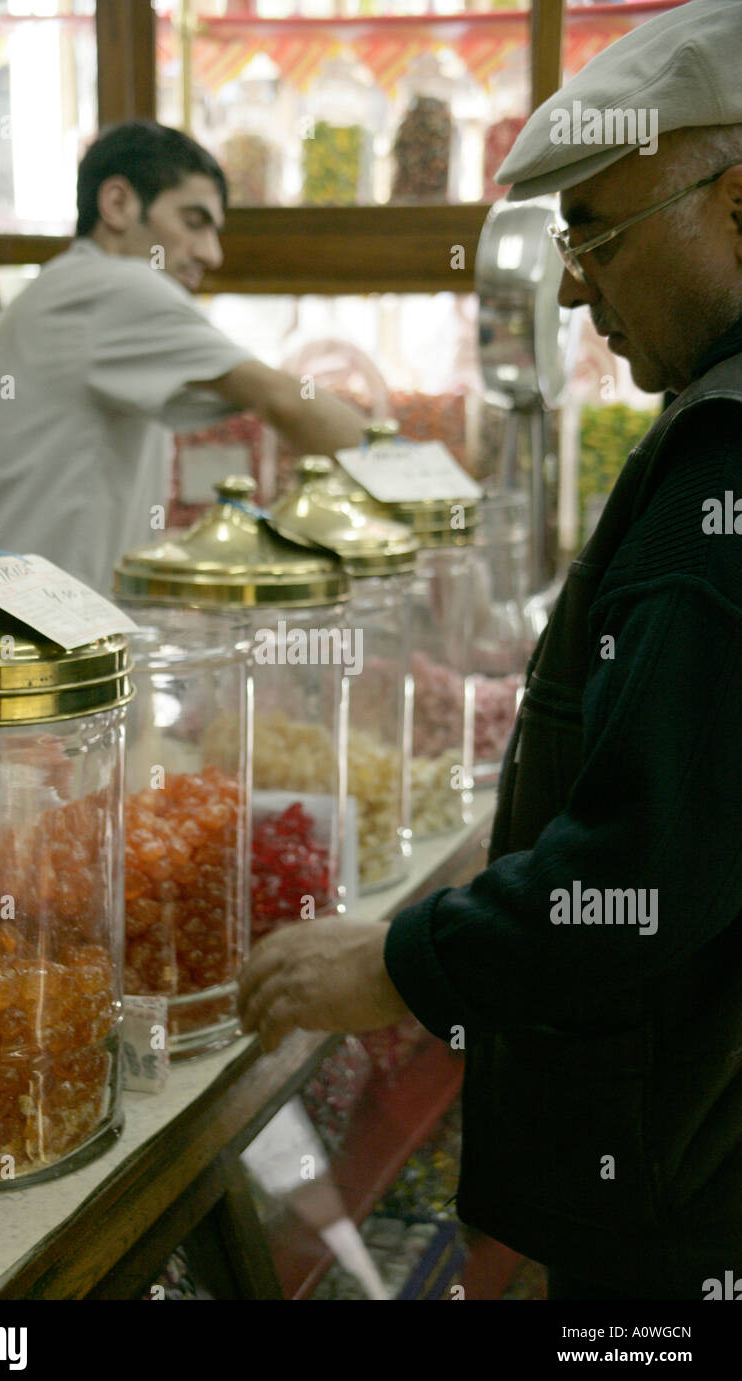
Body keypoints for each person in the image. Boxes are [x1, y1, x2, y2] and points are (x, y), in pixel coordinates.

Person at [238, 0, 742, 1301]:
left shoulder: (722, 465)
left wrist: (400, 960)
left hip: (686, 1194)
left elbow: (646, 870)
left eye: (598, 235)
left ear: (736, 203)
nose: (572, 283)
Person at [0, 122, 365, 593]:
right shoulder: (116, 286)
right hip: (43, 633)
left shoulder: (60, 288)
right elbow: (284, 400)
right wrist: (412, 481)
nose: (211, 254)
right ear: (118, 204)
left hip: (19, 621)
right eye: (193, 222)